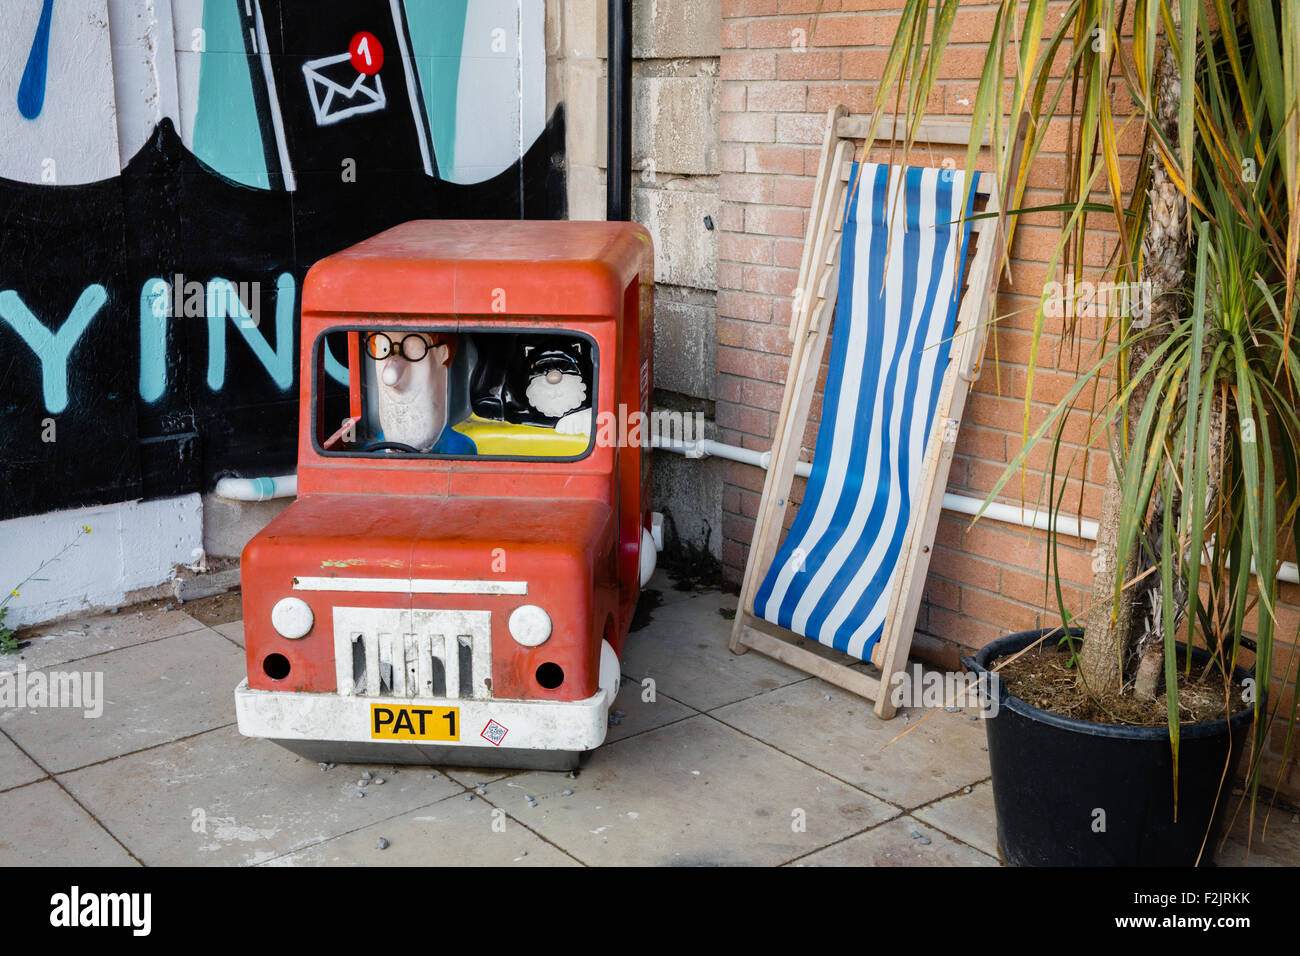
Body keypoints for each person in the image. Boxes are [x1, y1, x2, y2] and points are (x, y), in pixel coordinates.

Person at [366, 331, 476, 454]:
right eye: (384, 349)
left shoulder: (459, 449)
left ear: (442, 353)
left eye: (413, 351)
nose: (391, 377)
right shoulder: (370, 452)